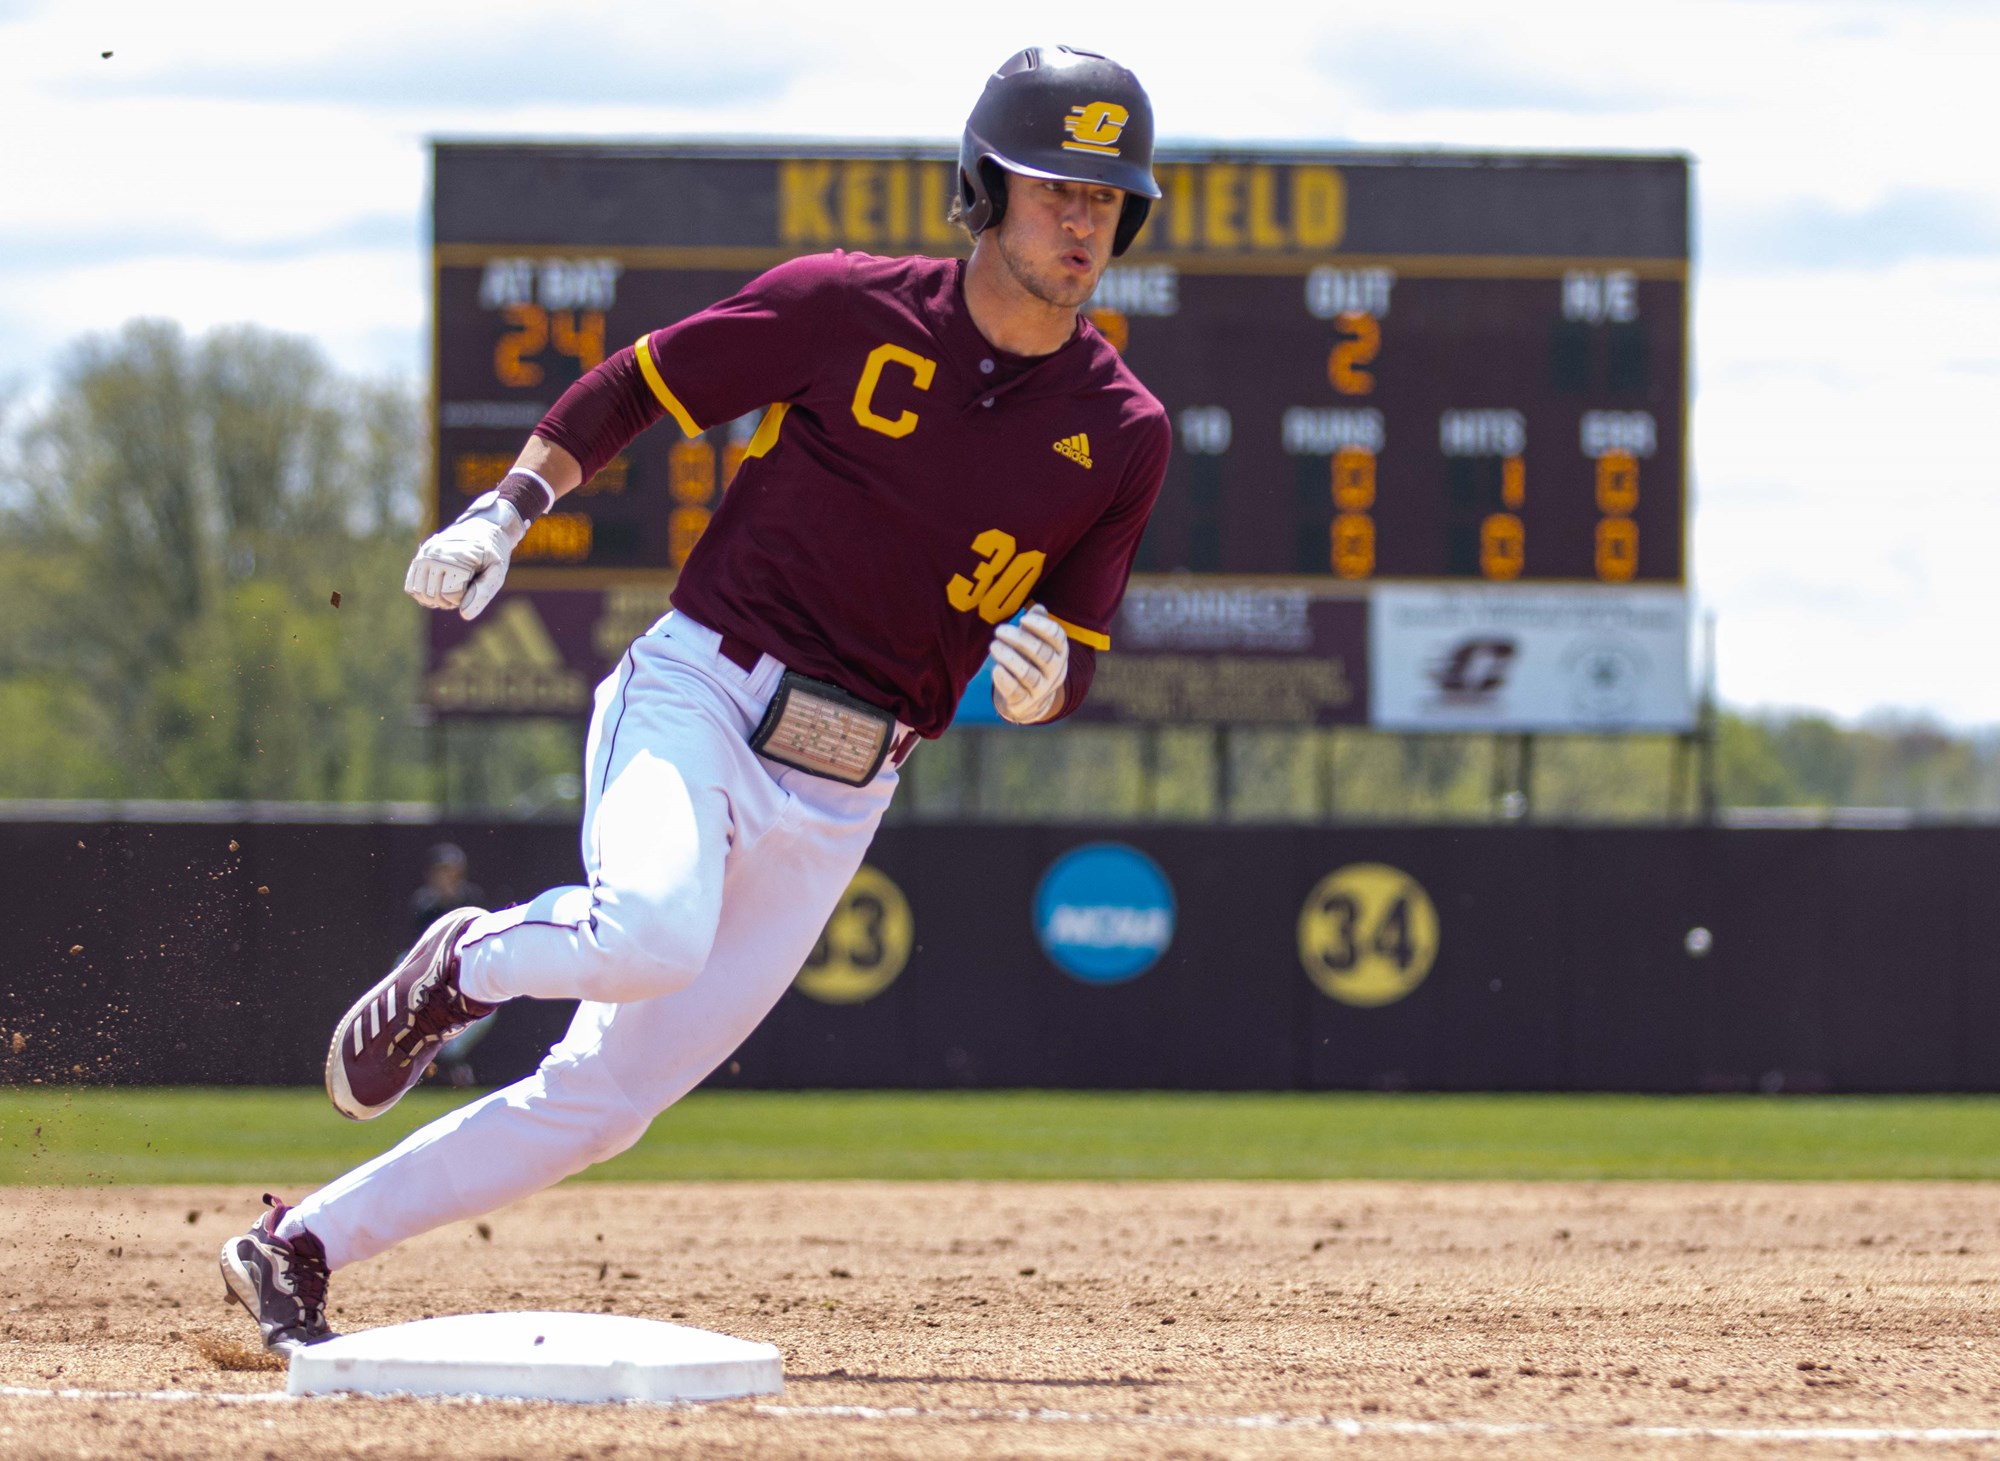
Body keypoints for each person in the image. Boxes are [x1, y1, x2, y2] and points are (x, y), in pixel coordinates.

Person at [220, 44, 1171, 1352]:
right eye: (1054, 186)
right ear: (985, 187)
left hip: (849, 785)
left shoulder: (1123, 430)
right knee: (650, 931)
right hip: (706, 693)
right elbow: (639, 384)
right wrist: (510, 507)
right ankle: (466, 960)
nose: (1081, 219)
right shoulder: (846, 305)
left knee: (605, 1105)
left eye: (1105, 197)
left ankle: (296, 1247)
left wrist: (1055, 677)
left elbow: (1078, 648)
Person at [408, 844, 496, 1086]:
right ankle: (412, 1054)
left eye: (452, 871)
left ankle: (448, 1058)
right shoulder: (425, 903)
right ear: (432, 874)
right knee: (400, 974)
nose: (447, 877)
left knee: (488, 1008)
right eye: (442, 871)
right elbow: (424, 947)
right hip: (431, 971)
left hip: (465, 968)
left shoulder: (472, 899)